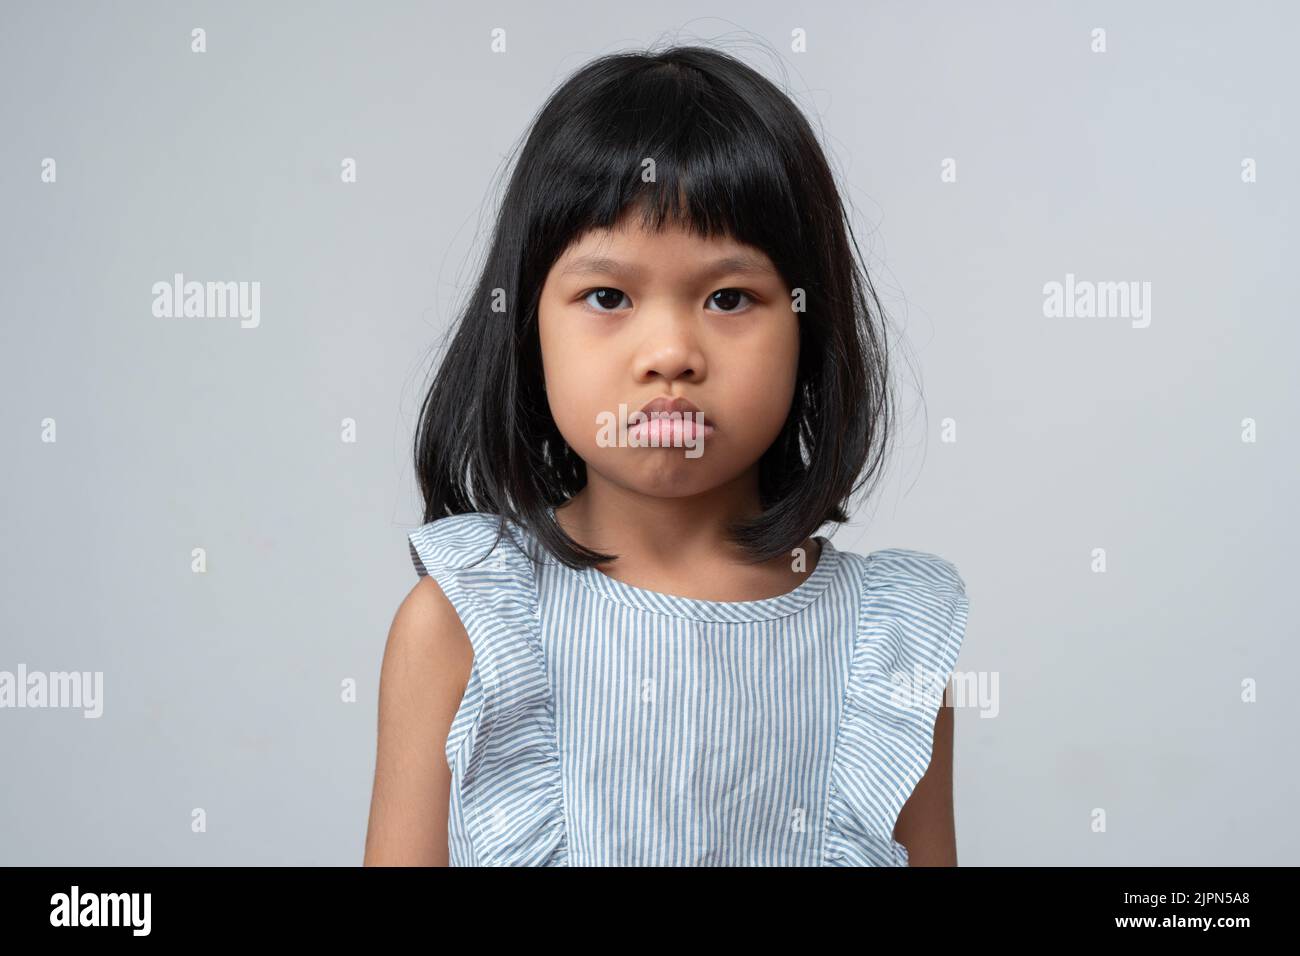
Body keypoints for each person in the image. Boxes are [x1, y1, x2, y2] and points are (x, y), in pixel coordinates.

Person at [364, 44, 970, 867]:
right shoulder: (463, 624)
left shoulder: (888, 646)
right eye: (607, 296)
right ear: (527, 329)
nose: (671, 353)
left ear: (809, 327)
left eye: (729, 298)